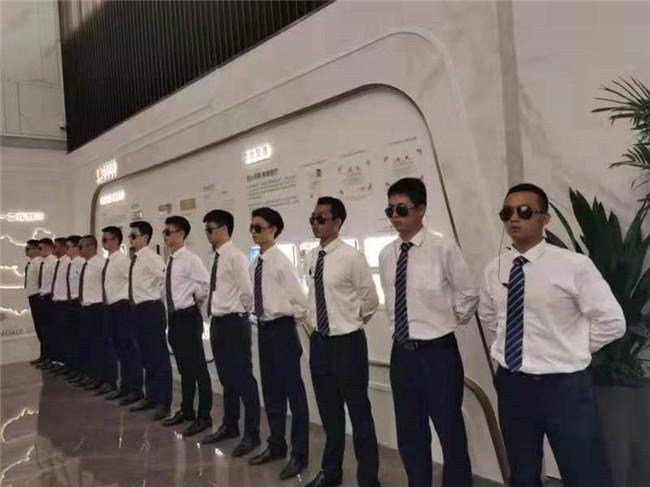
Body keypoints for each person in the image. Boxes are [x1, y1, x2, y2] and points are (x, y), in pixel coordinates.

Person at [478, 183, 625, 487]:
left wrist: (570, 348)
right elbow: (490, 316)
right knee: (523, 472)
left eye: (524, 211)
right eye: (506, 212)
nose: (514, 218)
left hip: (564, 387)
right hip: (513, 384)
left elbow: (612, 322)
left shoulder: (573, 265)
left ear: (544, 218)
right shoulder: (495, 268)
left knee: (584, 471)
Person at [378, 178, 477, 487]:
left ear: (420, 209)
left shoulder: (442, 247)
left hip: (438, 354)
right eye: (390, 210)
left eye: (402, 209)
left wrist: (446, 322)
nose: (395, 216)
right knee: (410, 432)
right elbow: (392, 301)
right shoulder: (386, 254)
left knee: (449, 430)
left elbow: (468, 294)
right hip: (402, 353)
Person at [304, 196, 380, 487]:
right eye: (313, 218)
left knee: (359, 413)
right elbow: (313, 298)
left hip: (348, 344)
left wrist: (349, 322)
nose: (315, 223)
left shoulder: (352, 257)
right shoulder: (311, 257)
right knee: (329, 413)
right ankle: (331, 471)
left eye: (321, 218)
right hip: (320, 343)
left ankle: (368, 478)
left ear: (337, 222)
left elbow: (370, 300)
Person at [247, 207, 310, 480]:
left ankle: (300, 454)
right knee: (271, 392)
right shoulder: (255, 264)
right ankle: (276, 445)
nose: (254, 232)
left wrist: (284, 322)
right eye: (252, 227)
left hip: (282, 331)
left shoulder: (282, 263)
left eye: (259, 228)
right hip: (264, 330)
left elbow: (301, 303)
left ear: (273, 230)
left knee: (294, 395)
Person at [199, 210, 262, 458]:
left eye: (210, 229)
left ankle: (252, 434)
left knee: (244, 379)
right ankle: (230, 425)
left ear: (224, 229)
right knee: (227, 379)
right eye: (206, 230)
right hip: (218, 323)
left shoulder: (235, 257)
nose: (207, 234)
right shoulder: (216, 257)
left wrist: (240, 314)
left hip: (234, 322)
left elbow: (247, 292)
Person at [161, 215, 213, 437]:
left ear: (181, 234)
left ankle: (205, 416)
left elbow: (205, 285)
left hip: (188, 318)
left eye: (168, 232)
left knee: (198, 368)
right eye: (164, 232)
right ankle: (187, 409)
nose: (165, 236)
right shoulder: (171, 261)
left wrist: (193, 301)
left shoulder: (191, 260)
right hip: (174, 318)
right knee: (184, 368)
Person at [126, 220, 173, 421]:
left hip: (150, 309)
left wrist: (156, 300)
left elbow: (166, 279)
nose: (130, 239)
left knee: (158, 357)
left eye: (134, 236)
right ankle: (151, 397)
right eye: (130, 236)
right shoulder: (136, 259)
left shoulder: (152, 258)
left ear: (145, 237)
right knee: (145, 356)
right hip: (137, 310)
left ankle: (164, 402)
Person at [101, 226, 144, 405]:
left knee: (129, 350)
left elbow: (134, 280)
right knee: (119, 349)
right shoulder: (110, 260)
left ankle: (135, 389)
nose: (103, 242)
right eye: (103, 239)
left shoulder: (122, 261)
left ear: (115, 241)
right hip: (111, 308)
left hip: (122, 307)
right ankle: (125, 387)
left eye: (106, 239)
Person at [77, 235, 108, 392]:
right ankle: (92, 375)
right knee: (88, 344)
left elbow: (107, 285)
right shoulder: (86, 264)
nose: (79, 250)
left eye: (81, 246)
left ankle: (102, 378)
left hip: (97, 308)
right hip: (86, 308)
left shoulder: (101, 264)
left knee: (99, 345)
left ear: (91, 247)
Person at [63, 235, 85, 383]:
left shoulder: (82, 263)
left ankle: (83, 370)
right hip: (70, 302)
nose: (66, 250)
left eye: (68, 247)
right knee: (72, 338)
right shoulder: (70, 264)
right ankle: (75, 368)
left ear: (77, 247)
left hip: (79, 302)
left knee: (81, 339)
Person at [50, 237, 73, 375]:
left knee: (66, 336)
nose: (53, 249)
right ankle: (59, 362)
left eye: (55, 246)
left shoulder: (68, 262)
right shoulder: (58, 263)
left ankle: (67, 363)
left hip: (65, 303)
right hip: (57, 302)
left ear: (64, 248)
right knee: (58, 335)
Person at [35, 238, 58, 370]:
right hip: (43, 297)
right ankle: (47, 357)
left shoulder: (53, 262)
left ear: (48, 247)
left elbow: (55, 281)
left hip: (49, 298)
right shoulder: (45, 262)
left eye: (40, 248)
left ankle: (52, 359)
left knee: (50, 331)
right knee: (45, 330)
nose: (39, 251)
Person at [24, 239, 44, 366]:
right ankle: (44, 355)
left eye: (29, 248)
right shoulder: (31, 263)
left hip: (38, 298)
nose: (26, 251)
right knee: (39, 328)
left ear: (37, 249)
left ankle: (47, 356)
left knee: (43, 328)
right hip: (32, 297)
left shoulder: (40, 263)